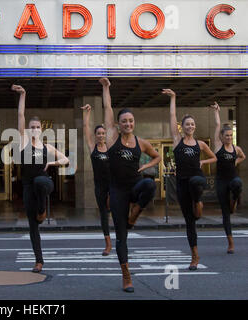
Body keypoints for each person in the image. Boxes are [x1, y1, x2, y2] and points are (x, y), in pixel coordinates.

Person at [101, 78, 160, 292]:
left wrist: (144, 168)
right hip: (117, 191)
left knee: (150, 186)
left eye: (131, 121)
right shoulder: (112, 137)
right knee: (121, 235)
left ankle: (135, 213)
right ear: (118, 124)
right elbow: (108, 108)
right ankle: (126, 275)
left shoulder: (140, 142)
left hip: (135, 187)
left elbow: (157, 156)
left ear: (134, 123)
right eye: (124, 121)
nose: (128, 124)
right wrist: (106, 88)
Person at [11, 84, 69, 273]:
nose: (34, 129)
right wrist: (23, 95)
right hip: (28, 186)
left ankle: (43, 208)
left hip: (44, 183)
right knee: (33, 226)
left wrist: (51, 164)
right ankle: (39, 261)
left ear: (41, 129)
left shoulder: (47, 147)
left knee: (40, 181)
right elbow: (20, 116)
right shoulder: (23, 143)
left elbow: (66, 159)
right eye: (32, 127)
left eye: (37, 127)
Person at [163, 89, 217, 270]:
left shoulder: (200, 144)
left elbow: (214, 158)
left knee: (196, 183)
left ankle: (199, 201)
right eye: (187, 124)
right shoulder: (177, 141)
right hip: (182, 184)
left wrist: (202, 160)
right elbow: (172, 116)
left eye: (193, 124)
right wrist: (173, 98)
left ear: (195, 126)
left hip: (197, 179)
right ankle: (195, 255)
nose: (191, 127)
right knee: (189, 221)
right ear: (182, 127)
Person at [209, 101, 245, 254]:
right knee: (225, 214)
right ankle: (230, 243)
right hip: (221, 182)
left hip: (232, 179)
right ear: (222, 137)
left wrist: (235, 161)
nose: (229, 137)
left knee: (238, 183)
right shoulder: (218, 146)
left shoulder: (236, 149)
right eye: (227, 136)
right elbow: (217, 125)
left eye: (231, 135)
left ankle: (234, 200)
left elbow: (243, 156)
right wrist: (217, 111)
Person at [80, 104, 112, 256]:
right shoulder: (92, 147)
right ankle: (108, 244)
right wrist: (88, 113)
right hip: (99, 187)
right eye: (98, 133)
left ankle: (120, 239)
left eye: (103, 133)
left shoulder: (111, 148)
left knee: (115, 210)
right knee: (104, 214)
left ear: (106, 135)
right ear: (95, 135)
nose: (101, 135)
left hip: (112, 186)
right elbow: (86, 127)